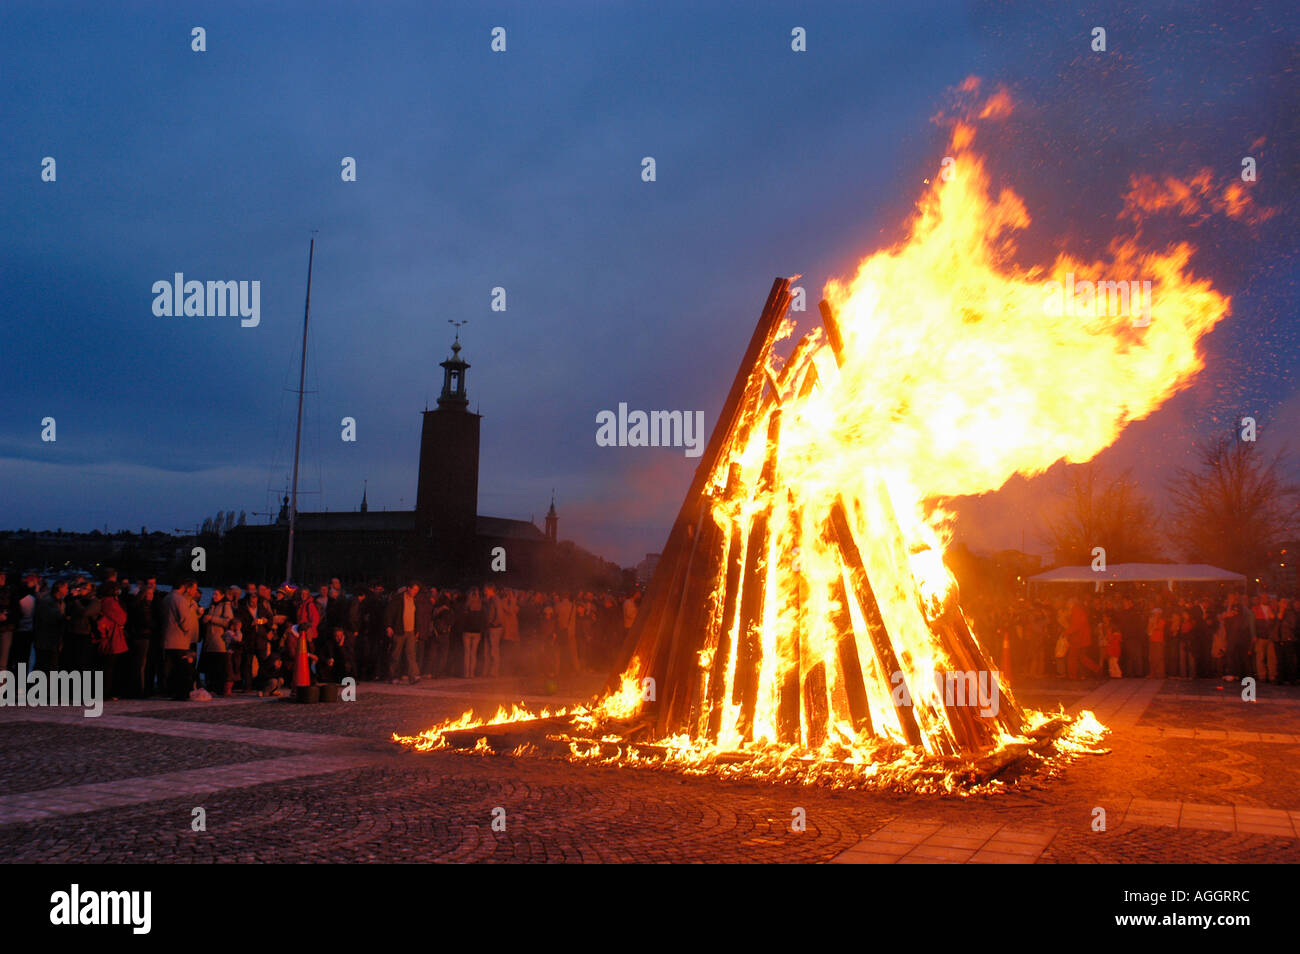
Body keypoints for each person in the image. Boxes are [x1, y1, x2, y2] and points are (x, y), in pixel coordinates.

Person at [161, 579, 200, 700]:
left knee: (173, 668)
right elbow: (184, 620)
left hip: (168, 638)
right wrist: (189, 630)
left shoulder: (167, 598)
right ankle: (181, 693)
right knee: (181, 669)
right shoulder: (180, 600)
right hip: (179, 640)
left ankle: (173, 691)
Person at [93, 582, 129, 701]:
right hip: (112, 638)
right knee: (109, 667)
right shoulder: (110, 602)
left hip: (107, 637)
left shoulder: (102, 601)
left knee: (106, 666)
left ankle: (104, 691)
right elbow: (122, 618)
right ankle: (106, 692)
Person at [202, 586, 236, 696]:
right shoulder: (212, 606)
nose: (214, 596)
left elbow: (228, 622)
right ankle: (211, 687)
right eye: (213, 594)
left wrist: (212, 619)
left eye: (216, 594)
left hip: (219, 641)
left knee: (219, 666)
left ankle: (218, 688)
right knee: (211, 666)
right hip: (210, 640)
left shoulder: (225, 606)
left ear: (222, 595)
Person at [385, 581, 422, 684]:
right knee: (396, 654)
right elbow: (390, 612)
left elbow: (417, 615)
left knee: (411, 654)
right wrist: (389, 626)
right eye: (414, 590)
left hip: (411, 631)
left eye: (417, 590)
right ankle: (393, 676)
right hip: (399, 629)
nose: (415, 592)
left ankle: (414, 675)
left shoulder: (415, 600)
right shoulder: (398, 599)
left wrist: (417, 630)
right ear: (409, 588)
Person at [462, 587, 484, 678]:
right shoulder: (480, 605)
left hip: (467, 631)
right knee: (473, 653)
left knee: (467, 653)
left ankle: (466, 673)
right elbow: (482, 619)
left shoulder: (467, 605)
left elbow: (463, 618)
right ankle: (472, 673)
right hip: (477, 631)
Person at [484, 584, 504, 678]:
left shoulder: (496, 599)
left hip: (494, 628)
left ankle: (494, 672)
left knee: (494, 650)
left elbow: (499, 613)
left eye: (486, 589)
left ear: (491, 589)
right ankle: (487, 671)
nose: (484, 591)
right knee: (488, 650)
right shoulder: (490, 600)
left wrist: (495, 623)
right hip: (489, 627)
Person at [1147, 607, 1166, 679]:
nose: (1155, 615)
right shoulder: (1151, 621)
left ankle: (1160, 674)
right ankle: (1153, 674)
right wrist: (1151, 624)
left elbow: (1157, 628)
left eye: (1156, 613)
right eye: (1154, 614)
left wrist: (1153, 624)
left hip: (1159, 641)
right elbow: (1148, 631)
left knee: (1159, 658)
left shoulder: (1162, 621)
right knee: (1152, 658)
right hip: (1152, 641)